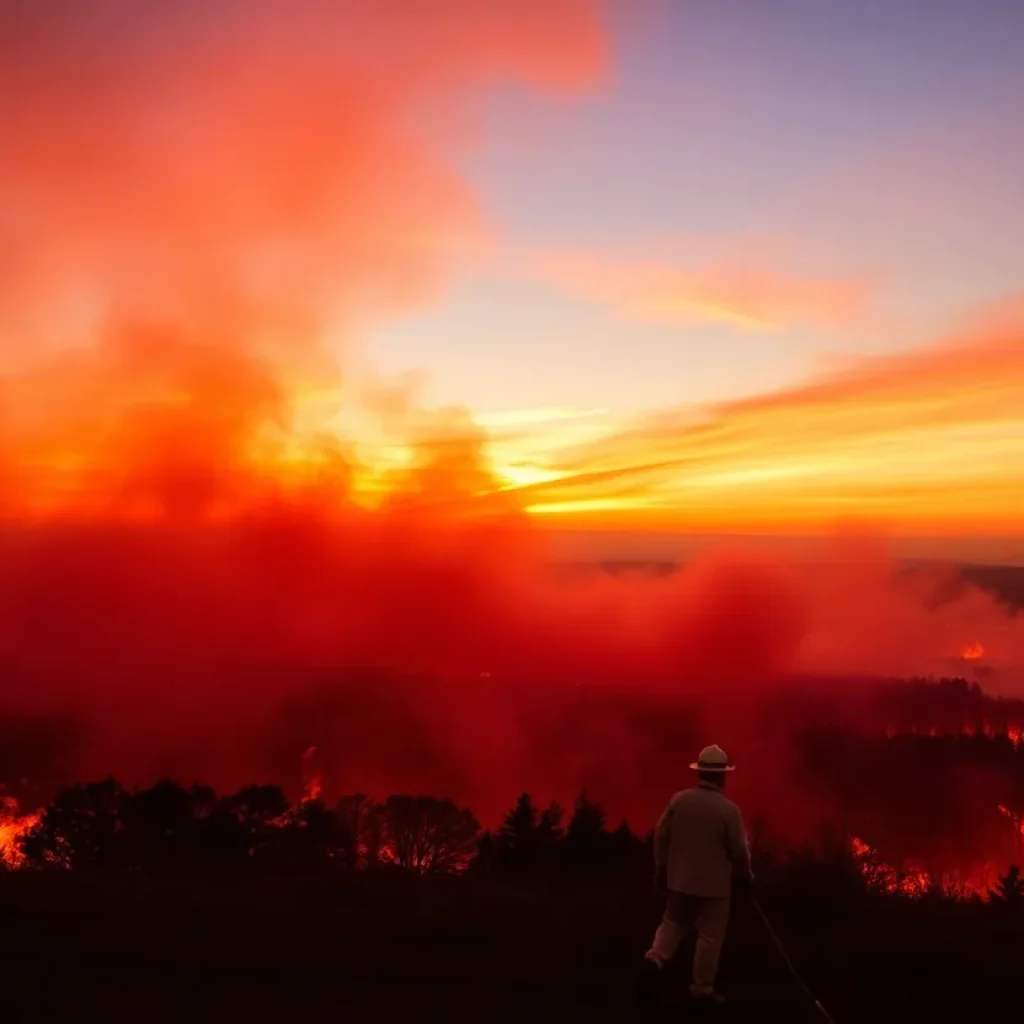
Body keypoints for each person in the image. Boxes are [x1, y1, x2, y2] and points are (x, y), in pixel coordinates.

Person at [638, 744, 753, 1008]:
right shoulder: (728, 810)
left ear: (700, 772)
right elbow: (739, 850)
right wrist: (746, 876)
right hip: (715, 888)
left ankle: (654, 959)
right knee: (710, 937)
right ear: (722, 776)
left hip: (679, 881)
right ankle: (702, 991)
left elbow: (661, 834)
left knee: (672, 924)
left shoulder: (679, 800)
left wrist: (661, 867)